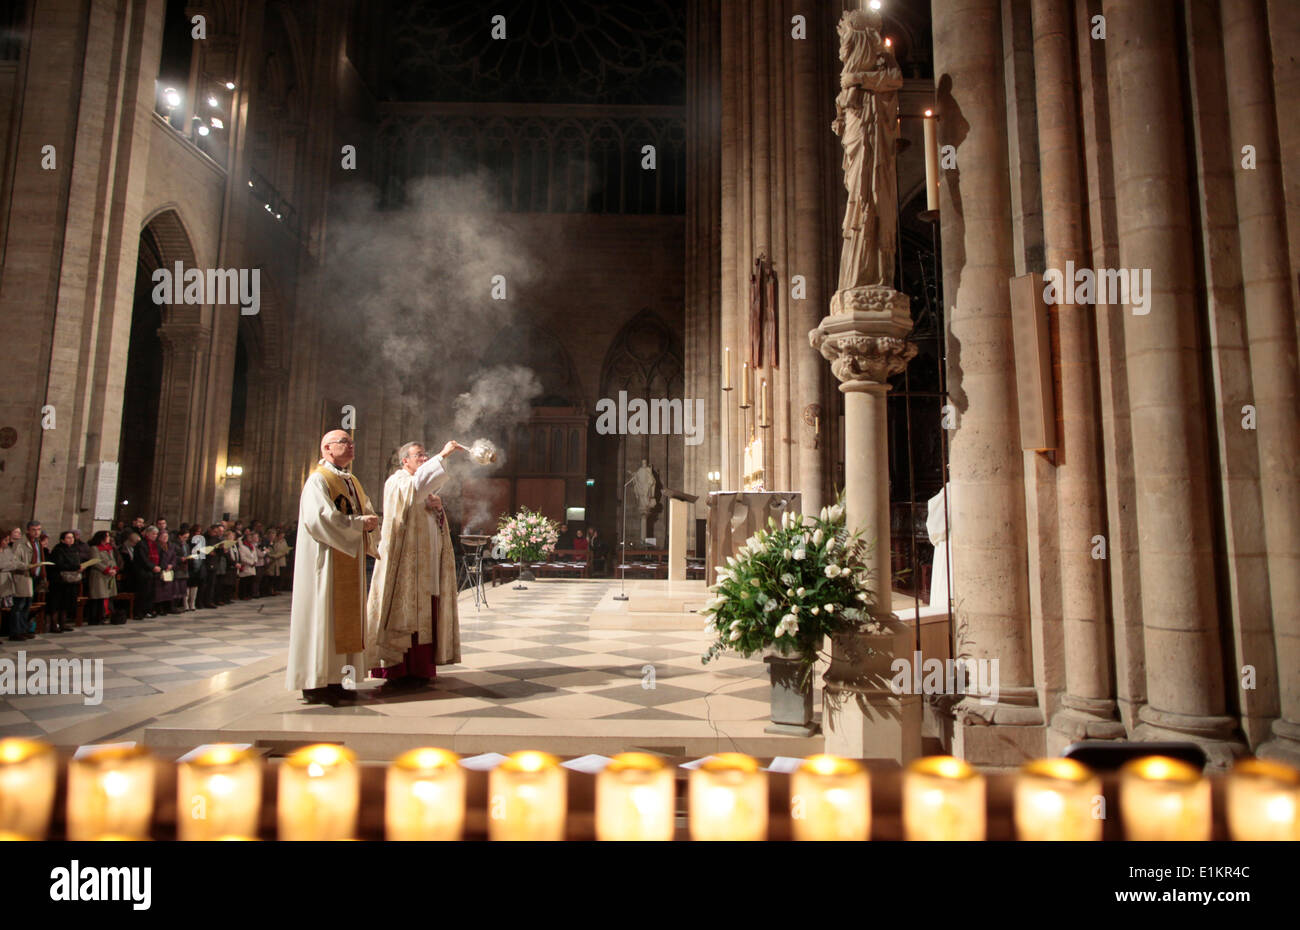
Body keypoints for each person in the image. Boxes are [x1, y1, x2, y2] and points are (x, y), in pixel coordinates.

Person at [286, 430, 379, 705]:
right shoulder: (318, 480)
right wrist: (359, 525)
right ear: (327, 448)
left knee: (340, 622)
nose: (351, 446)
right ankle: (316, 683)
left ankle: (337, 679)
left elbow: (364, 510)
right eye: (344, 443)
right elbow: (319, 519)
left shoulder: (351, 481)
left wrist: (370, 524)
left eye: (352, 442)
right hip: (325, 562)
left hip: (347, 557)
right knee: (323, 619)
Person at [365, 440, 465, 691]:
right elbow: (414, 490)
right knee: (405, 614)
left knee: (426, 615)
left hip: (427, 568)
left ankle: (420, 670)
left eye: (425, 455)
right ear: (404, 461)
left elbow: (433, 518)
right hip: (405, 570)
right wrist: (443, 455)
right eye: (418, 456)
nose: (423, 458)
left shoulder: (423, 488)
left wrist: (439, 511)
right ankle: (397, 670)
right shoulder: (398, 483)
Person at [0, 528, 33, 641]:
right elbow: (3, 565)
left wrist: (24, 565)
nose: (7, 542)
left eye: (7, 540)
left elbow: (14, 561)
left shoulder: (7, 550)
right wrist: (13, 565)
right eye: (5, 540)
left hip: (5, 582)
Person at [47, 531, 82, 633]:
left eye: (72, 537)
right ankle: (54, 625)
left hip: (71, 580)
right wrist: (75, 567)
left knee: (66, 603)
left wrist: (79, 567)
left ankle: (63, 623)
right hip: (59, 580)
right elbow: (59, 564)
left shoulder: (74, 549)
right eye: (68, 538)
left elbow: (77, 561)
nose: (71, 539)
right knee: (56, 603)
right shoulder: (58, 550)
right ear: (62, 539)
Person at [86, 531, 120, 625]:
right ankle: (96, 618)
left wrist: (115, 569)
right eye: (107, 536)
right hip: (99, 575)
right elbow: (95, 561)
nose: (109, 538)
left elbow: (113, 560)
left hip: (110, 575)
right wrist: (107, 570)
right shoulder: (95, 548)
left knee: (107, 596)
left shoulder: (110, 548)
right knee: (99, 596)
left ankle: (105, 615)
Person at [134, 525, 162, 618]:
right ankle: (139, 612)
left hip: (154, 572)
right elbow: (143, 559)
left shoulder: (156, 544)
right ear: (148, 533)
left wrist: (159, 566)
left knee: (151, 593)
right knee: (143, 592)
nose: (155, 536)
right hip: (143, 572)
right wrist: (153, 567)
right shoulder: (141, 544)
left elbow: (160, 556)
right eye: (153, 534)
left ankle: (148, 610)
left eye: (156, 534)